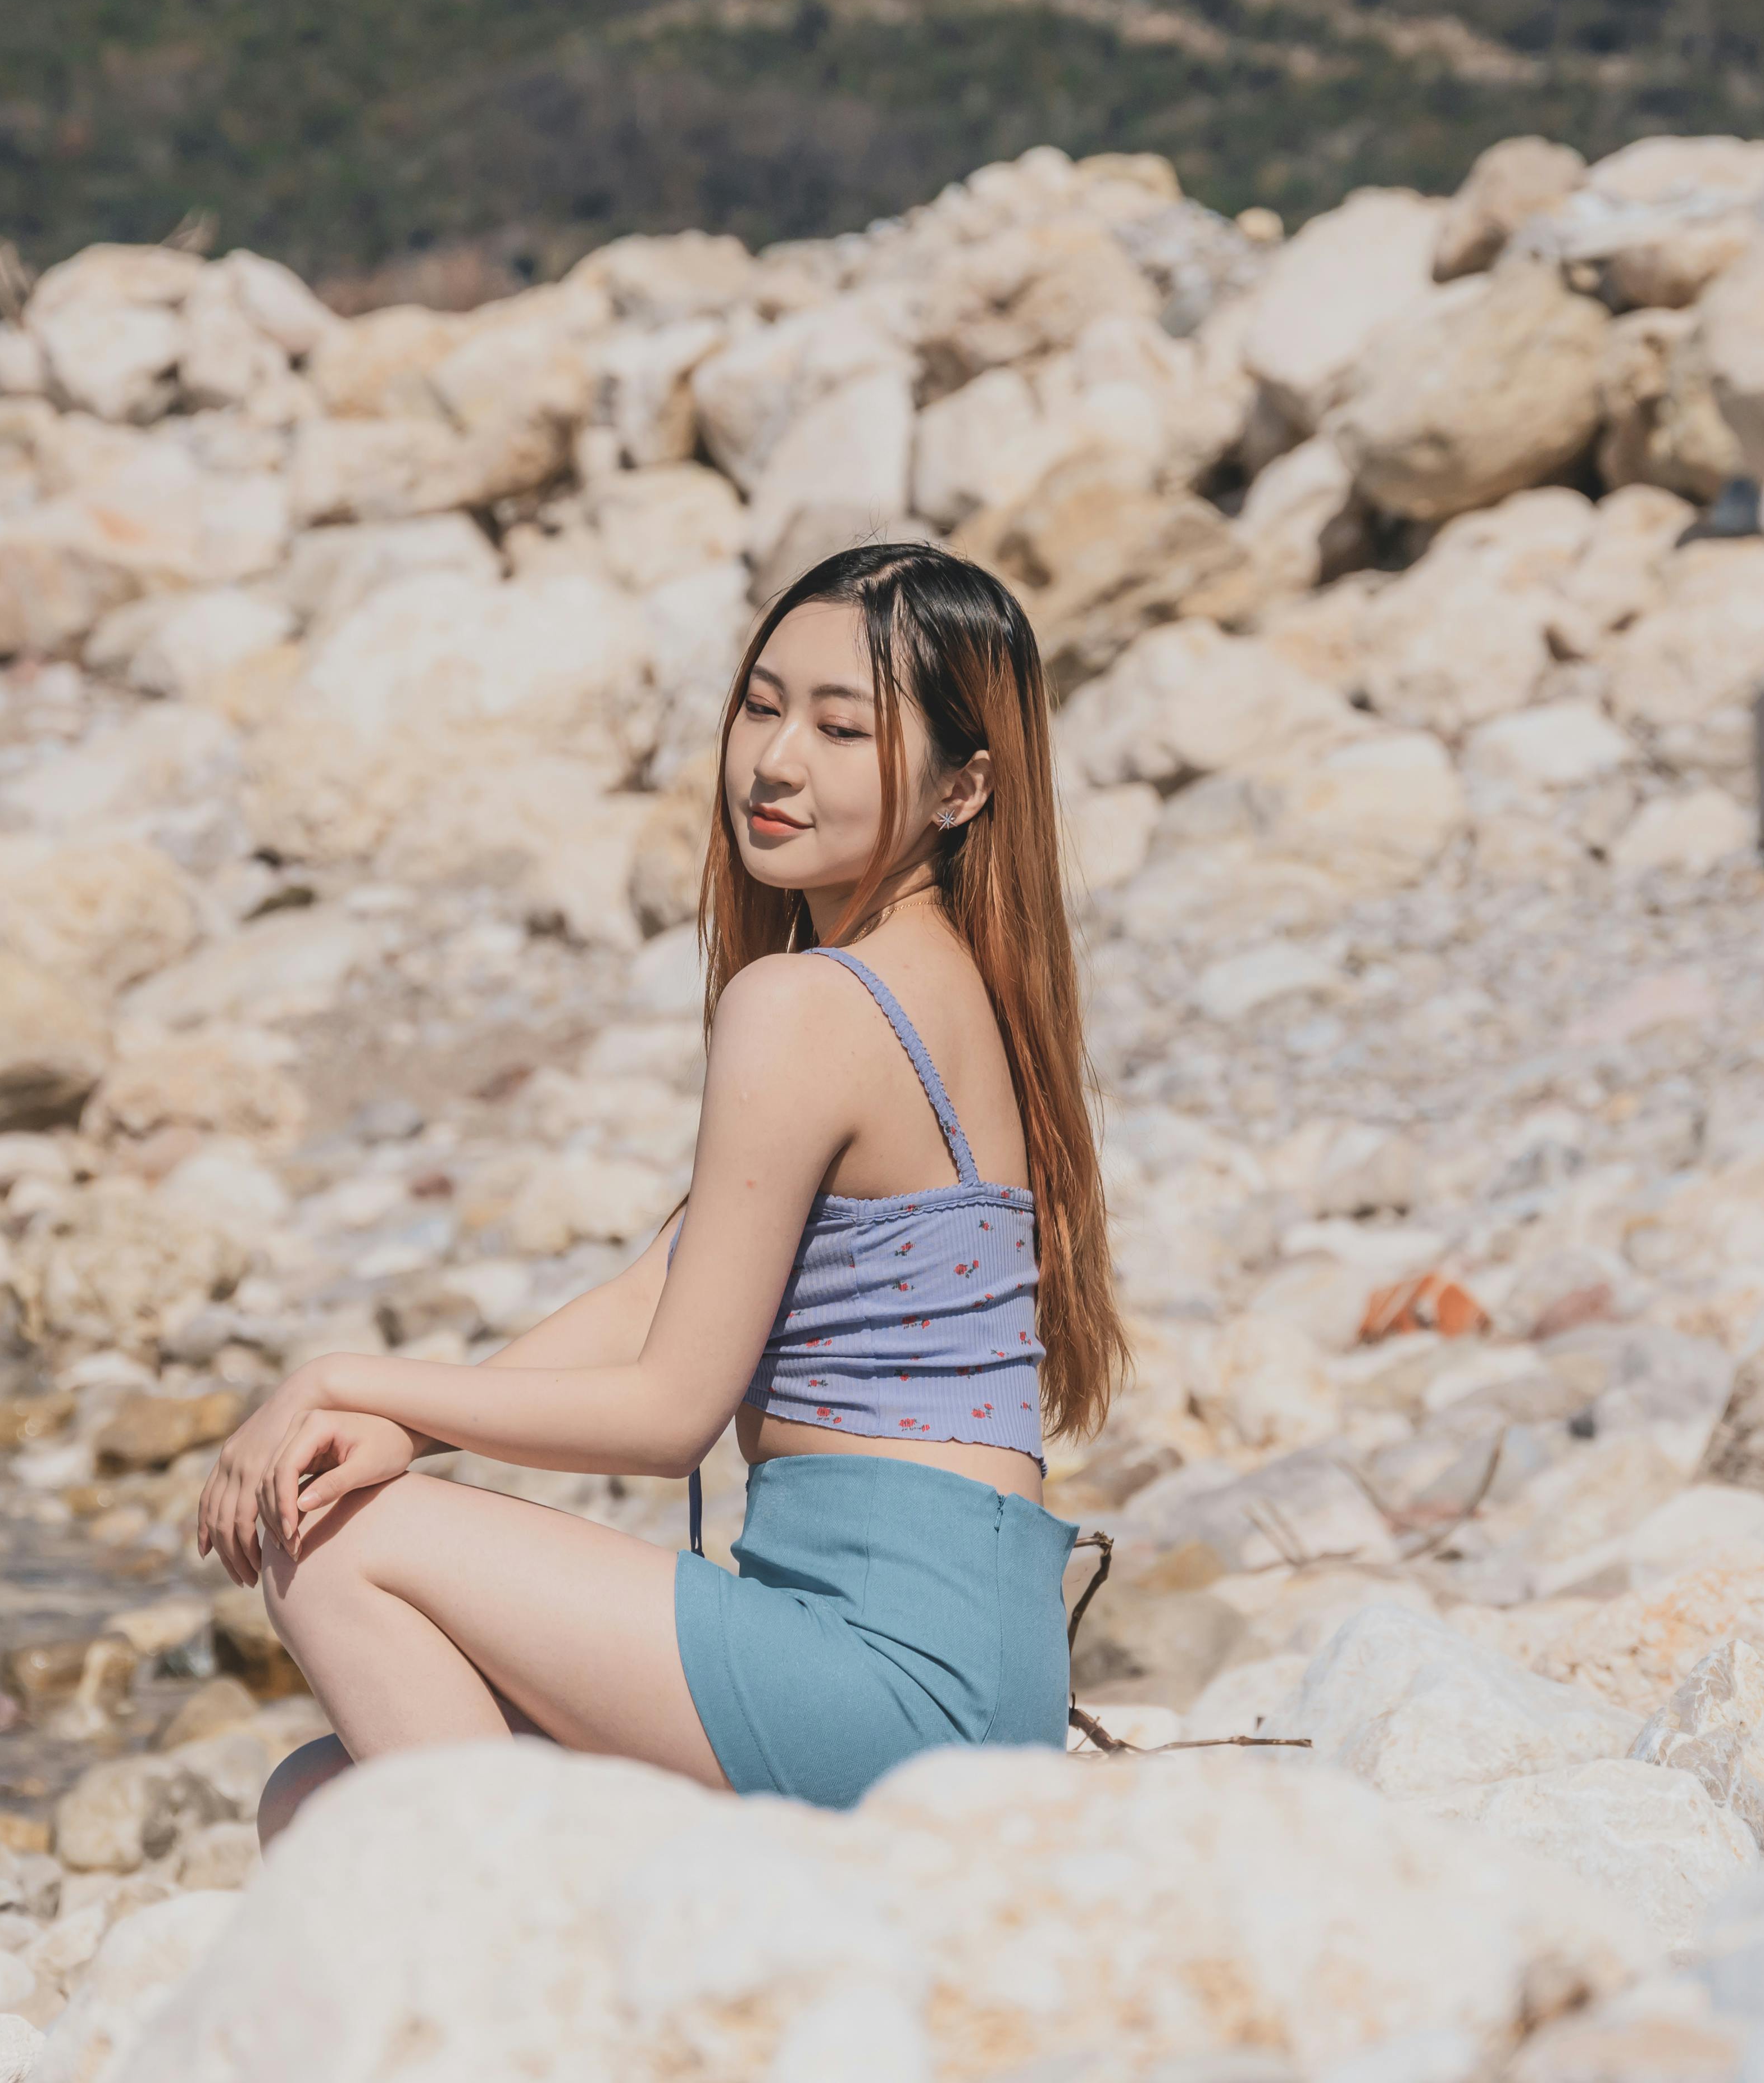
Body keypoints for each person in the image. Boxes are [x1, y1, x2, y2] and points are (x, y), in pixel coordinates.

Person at [195, 540, 1124, 1836]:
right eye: (762, 704)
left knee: (331, 1538)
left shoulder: (808, 1005)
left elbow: (669, 1410)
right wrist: (412, 1432)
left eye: (841, 728)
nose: (777, 760)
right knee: (321, 1802)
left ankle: (554, 1984)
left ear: (966, 786)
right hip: (965, 1666)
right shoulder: (947, 981)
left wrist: (344, 1383)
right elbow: (656, 1289)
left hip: (898, 1674)